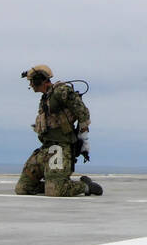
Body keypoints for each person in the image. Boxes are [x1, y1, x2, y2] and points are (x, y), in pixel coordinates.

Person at [15, 65, 102, 197]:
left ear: (40, 80)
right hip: (46, 149)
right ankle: (56, 183)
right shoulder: (46, 98)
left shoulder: (60, 91)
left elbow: (83, 113)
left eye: (32, 81)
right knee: (23, 187)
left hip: (60, 148)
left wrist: (84, 140)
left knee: (55, 191)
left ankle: (85, 187)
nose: (31, 84)